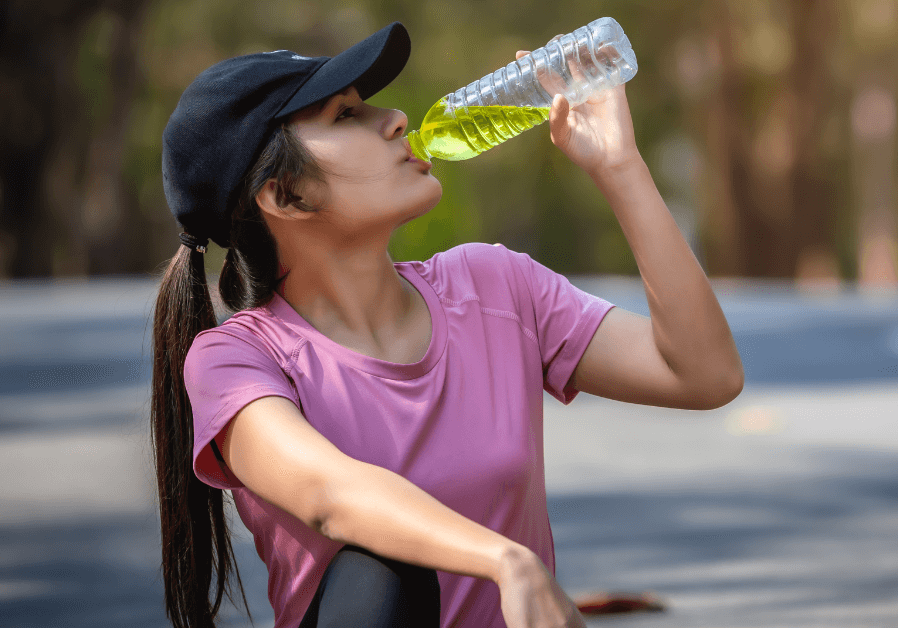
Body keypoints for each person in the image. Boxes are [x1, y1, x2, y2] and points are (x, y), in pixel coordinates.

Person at [151, 21, 743, 628]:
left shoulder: (493, 286)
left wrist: (620, 168)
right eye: (345, 116)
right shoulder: (235, 361)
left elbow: (703, 374)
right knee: (377, 568)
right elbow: (331, 496)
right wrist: (504, 560)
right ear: (282, 195)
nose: (396, 119)